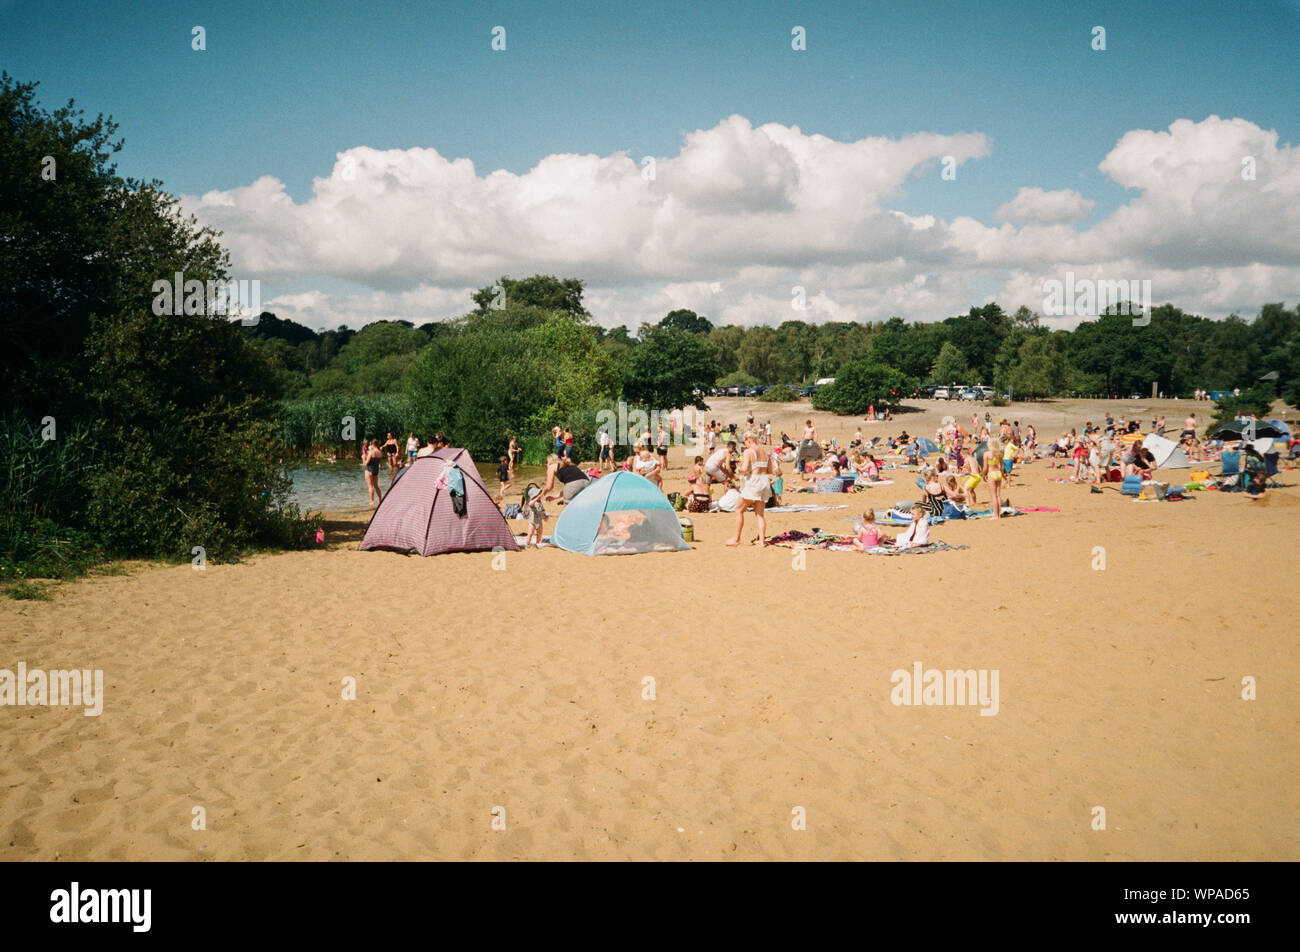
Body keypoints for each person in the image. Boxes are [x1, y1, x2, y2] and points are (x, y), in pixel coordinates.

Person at [725, 434, 777, 546]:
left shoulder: (748, 452)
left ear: (749, 440)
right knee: (760, 514)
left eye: (745, 442)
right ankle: (762, 541)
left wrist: (739, 470)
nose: (745, 444)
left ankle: (736, 539)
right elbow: (770, 470)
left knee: (739, 509)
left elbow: (744, 468)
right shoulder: (765, 452)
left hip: (754, 482)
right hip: (764, 481)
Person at [362, 438, 382, 507]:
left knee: (370, 486)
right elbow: (380, 464)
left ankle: (372, 501)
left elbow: (366, 463)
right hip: (376, 470)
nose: (370, 445)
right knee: (376, 486)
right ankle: (380, 499)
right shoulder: (380, 452)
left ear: (373, 444)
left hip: (369, 470)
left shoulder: (371, 452)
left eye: (370, 444)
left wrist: (364, 458)